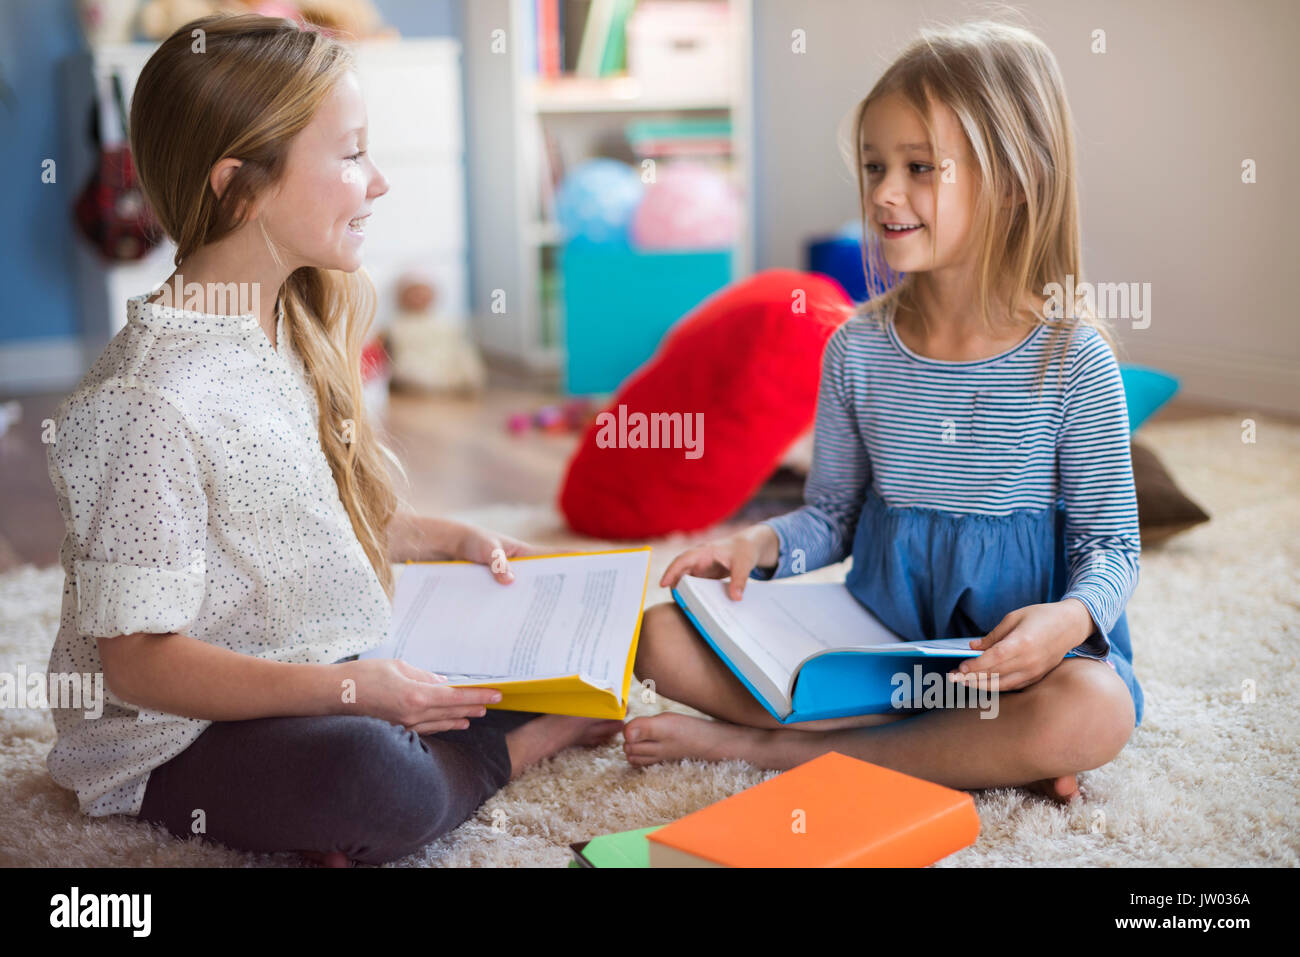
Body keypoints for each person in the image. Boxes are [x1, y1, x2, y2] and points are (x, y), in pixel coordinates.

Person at [44, 13, 620, 867]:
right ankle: (512, 750)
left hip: (304, 671)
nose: (378, 182)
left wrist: (450, 538)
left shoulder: (276, 326)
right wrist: (351, 687)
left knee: (602, 626)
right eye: (351, 154)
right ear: (239, 188)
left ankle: (445, 741)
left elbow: (297, 522)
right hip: (176, 739)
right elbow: (137, 666)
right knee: (370, 774)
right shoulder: (147, 399)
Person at [624, 19, 1143, 805]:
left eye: (918, 168)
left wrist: (1068, 623)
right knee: (660, 633)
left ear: (1014, 178)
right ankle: (961, 753)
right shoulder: (857, 349)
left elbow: (1111, 545)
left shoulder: (1072, 358)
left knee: (1095, 710)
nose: (882, 194)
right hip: (879, 650)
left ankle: (781, 751)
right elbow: (832, 515)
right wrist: (761, 544)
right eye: (874, 166)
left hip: (1008, 667)